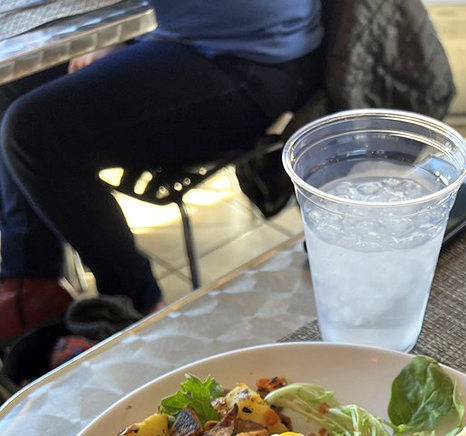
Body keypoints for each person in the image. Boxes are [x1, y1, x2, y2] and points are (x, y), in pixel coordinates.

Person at [0, 1, 323, 343]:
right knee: (12, 86)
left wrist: (122, 38)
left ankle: (134, 309)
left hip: (251, 59)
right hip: (183, 34)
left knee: (34, 134)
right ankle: (29, 288)